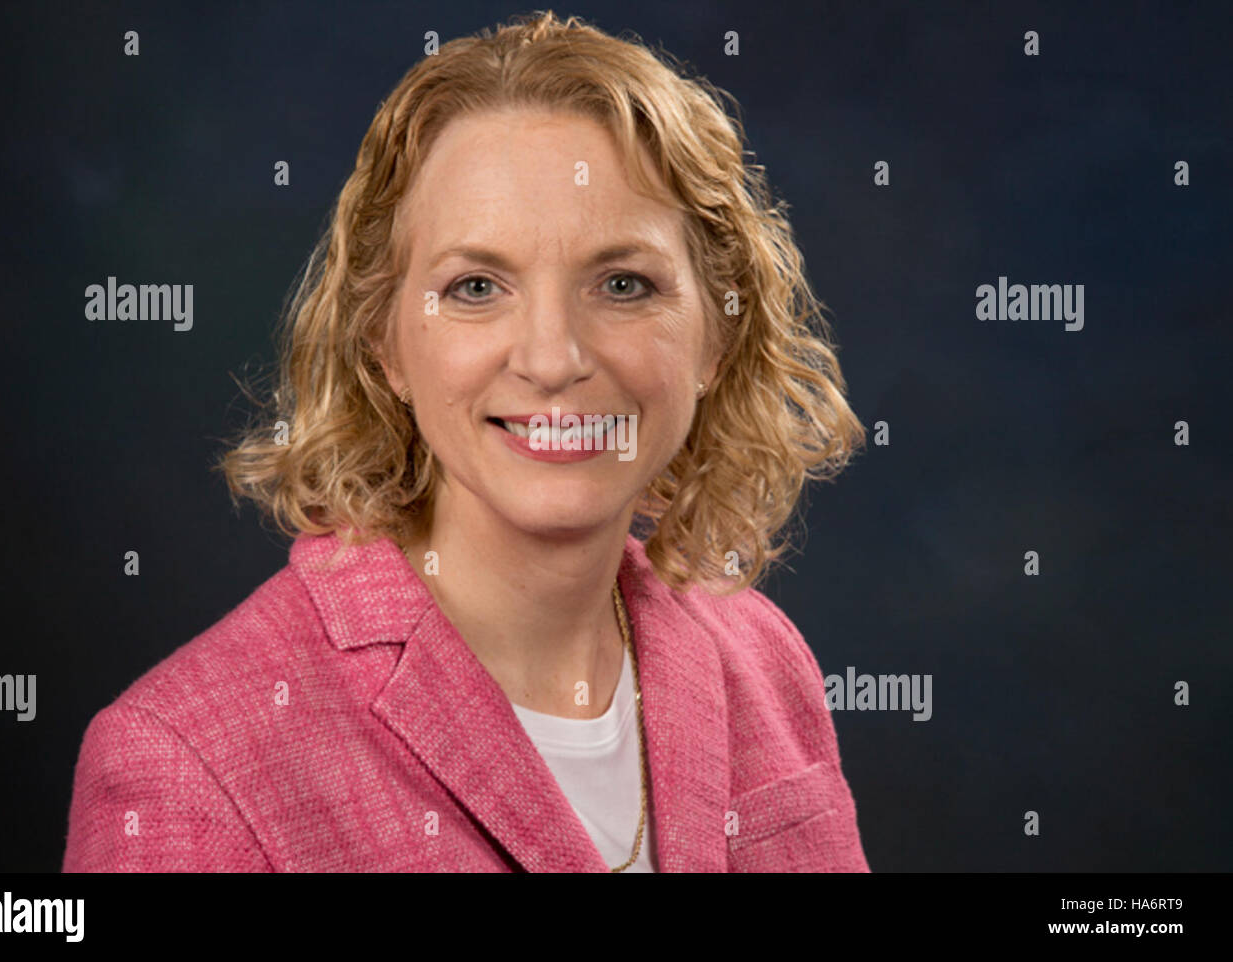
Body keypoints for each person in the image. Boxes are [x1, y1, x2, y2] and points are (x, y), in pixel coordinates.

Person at [62, 10, 869, 873]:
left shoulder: (763, 658)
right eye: (477, 286)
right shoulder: (183, 768)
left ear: (716, 335)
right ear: (385, 343)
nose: (554, 359)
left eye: (624, 283)